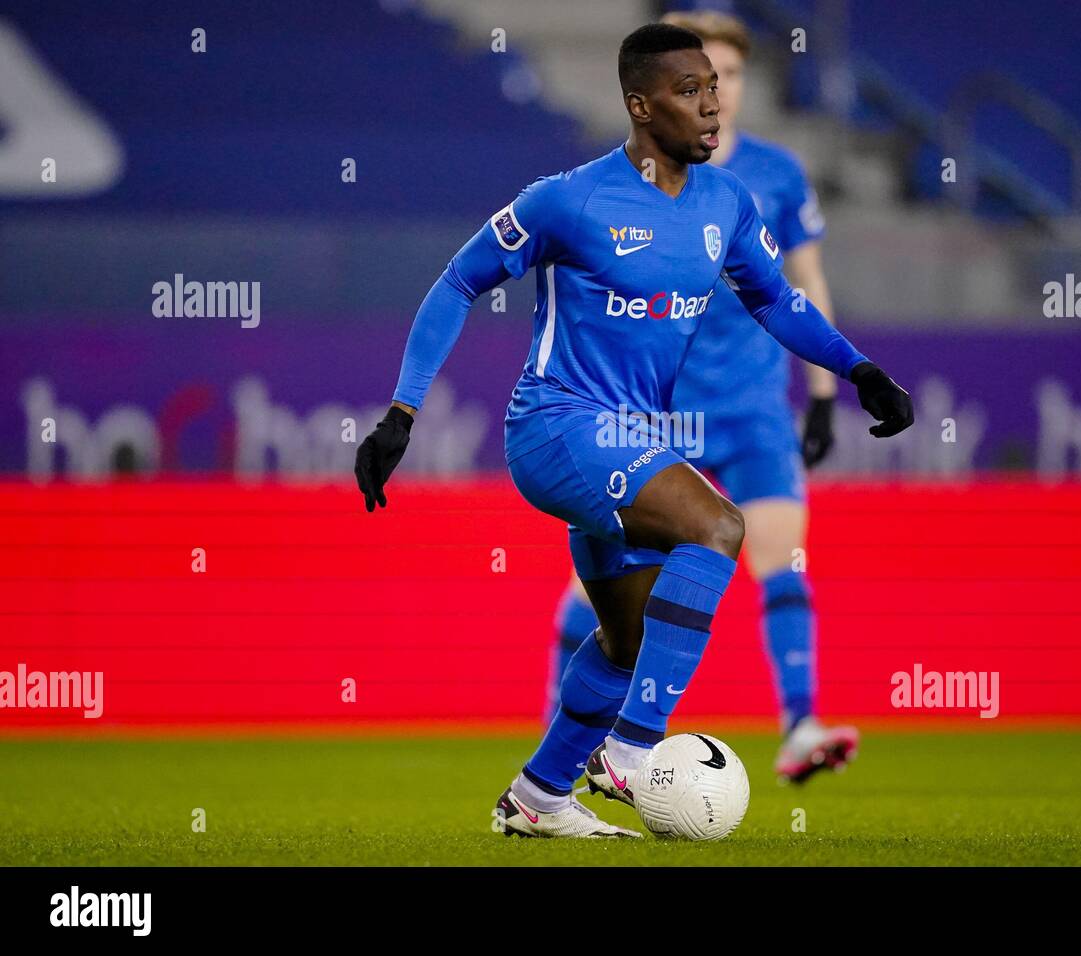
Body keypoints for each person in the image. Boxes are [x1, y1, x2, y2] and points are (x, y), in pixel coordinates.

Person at [355, 23, 913, 838]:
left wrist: (858, 369)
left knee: (624, 640)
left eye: (714, 88)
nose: (711, 105)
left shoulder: (727, 202)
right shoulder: (569, 200)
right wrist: (402, 411)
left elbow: (776, 299)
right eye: (690, 91)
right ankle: (634, 748)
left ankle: (539, 797)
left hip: (632, 438)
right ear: (641, 106)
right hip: (555, 427)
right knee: (720, 526)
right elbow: (457, 280)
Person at [545, 10, 859, 784]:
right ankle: (564, 735)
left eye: (732, 77)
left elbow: (804, 286)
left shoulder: (778, 175)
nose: (720, 93)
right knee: (602, 588)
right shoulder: (636, 176)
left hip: (752, 405)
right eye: (702, 78)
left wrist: (823, 392)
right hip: (659, 409)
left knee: (781, 551)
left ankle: (798, 725)